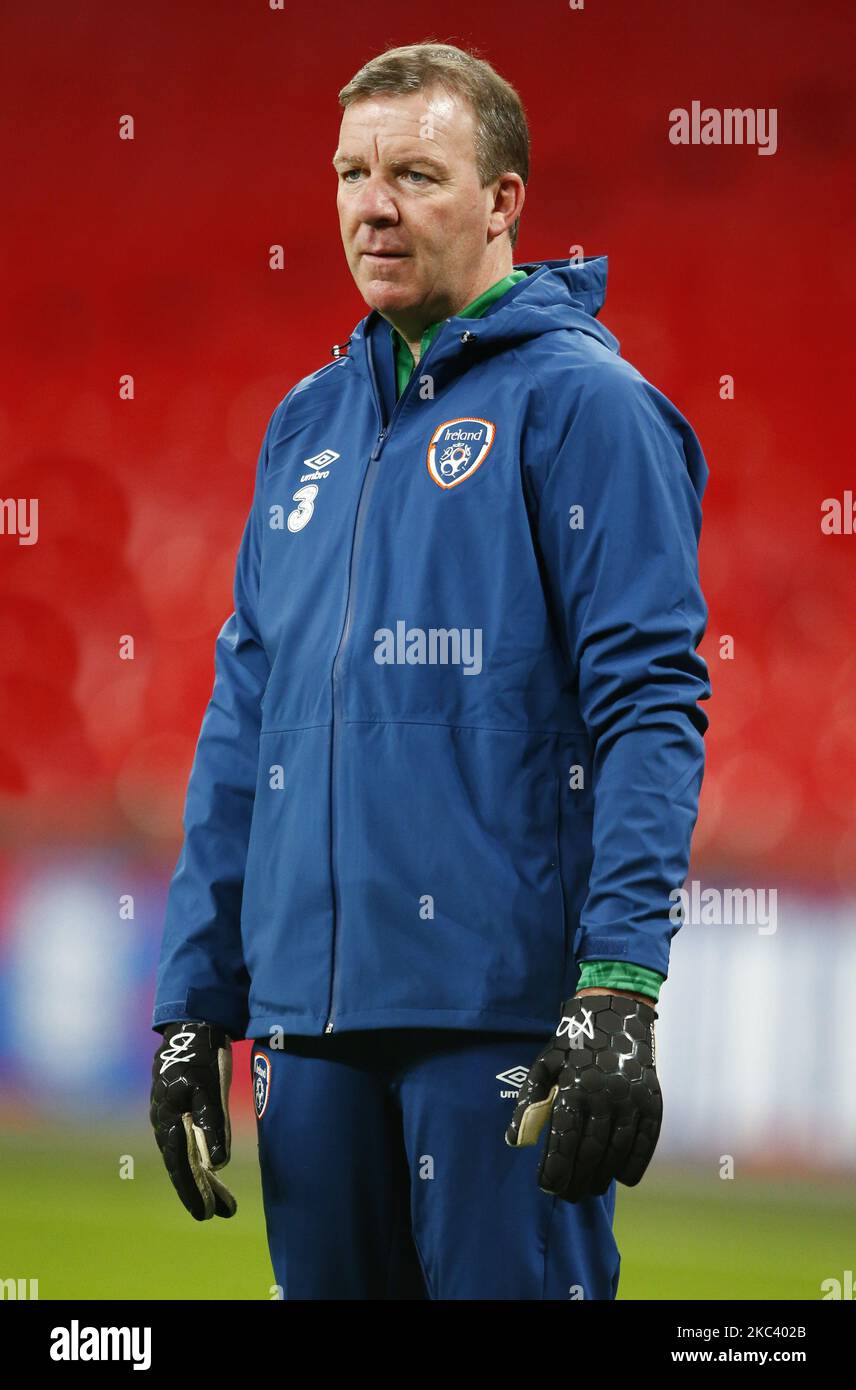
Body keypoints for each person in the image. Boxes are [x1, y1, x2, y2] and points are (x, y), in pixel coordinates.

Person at [149, 40, 710, 1301]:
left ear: (505, 199)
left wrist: (618, 983)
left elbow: (650, 704)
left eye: (413, 171)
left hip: (494, 1017)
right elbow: (247, 721)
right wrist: (195, 1000)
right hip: (310, 1026)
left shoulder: (589, 409)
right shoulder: (304, 425)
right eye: (351, 171)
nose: (370, 205)